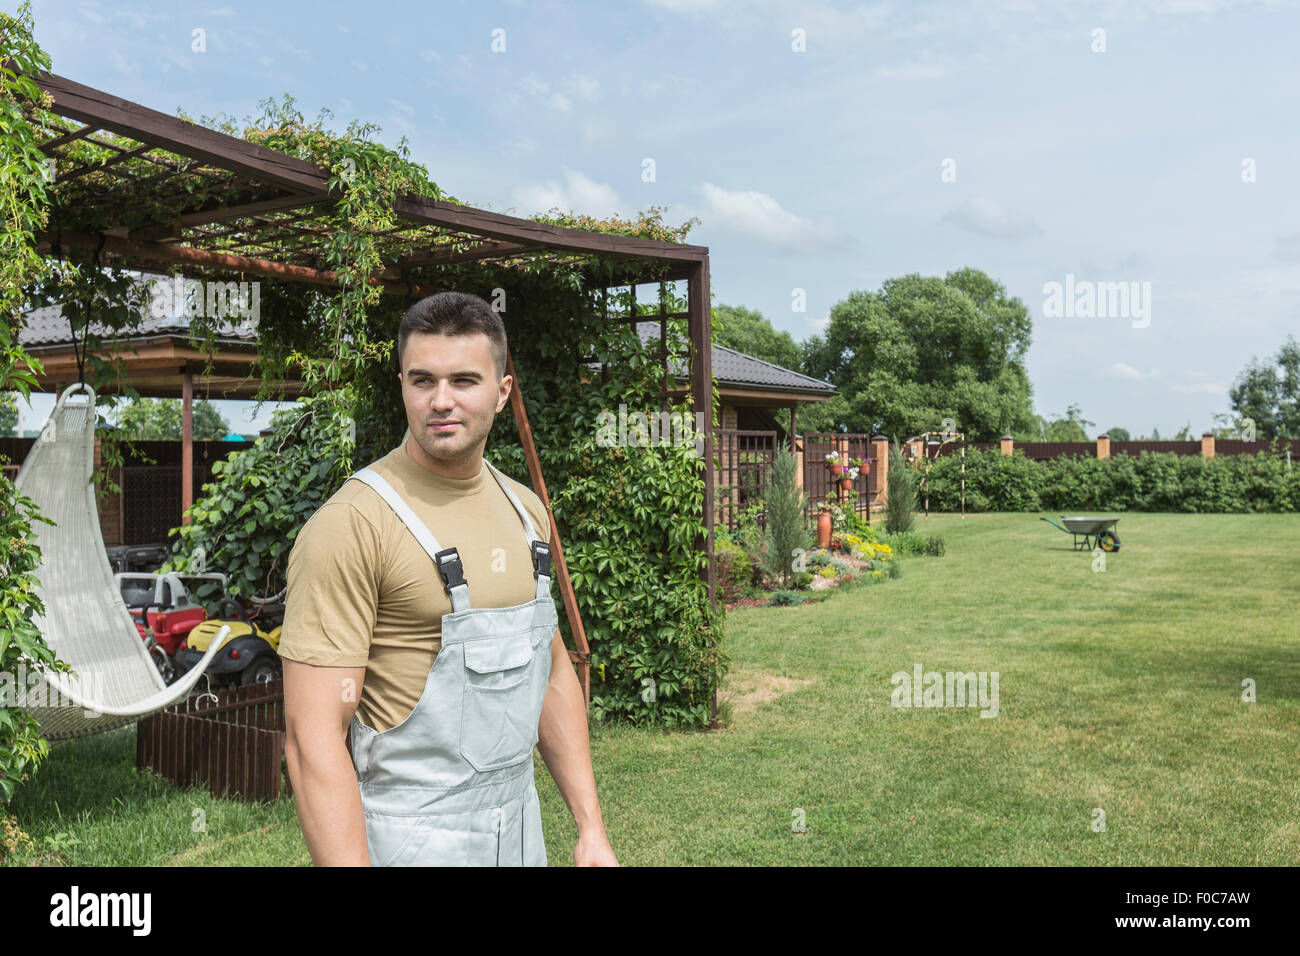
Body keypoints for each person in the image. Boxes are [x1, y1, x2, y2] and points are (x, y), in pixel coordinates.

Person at [280, 291, 618, 867]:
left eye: (464, 380)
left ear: (502, 391)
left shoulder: (526, 510)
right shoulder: (353, 524)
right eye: (422, 380)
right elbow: (312, 739)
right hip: (409, 840)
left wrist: (590, 827)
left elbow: (553, 670)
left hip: (519, 834)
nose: (441, 401)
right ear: (403, 387)